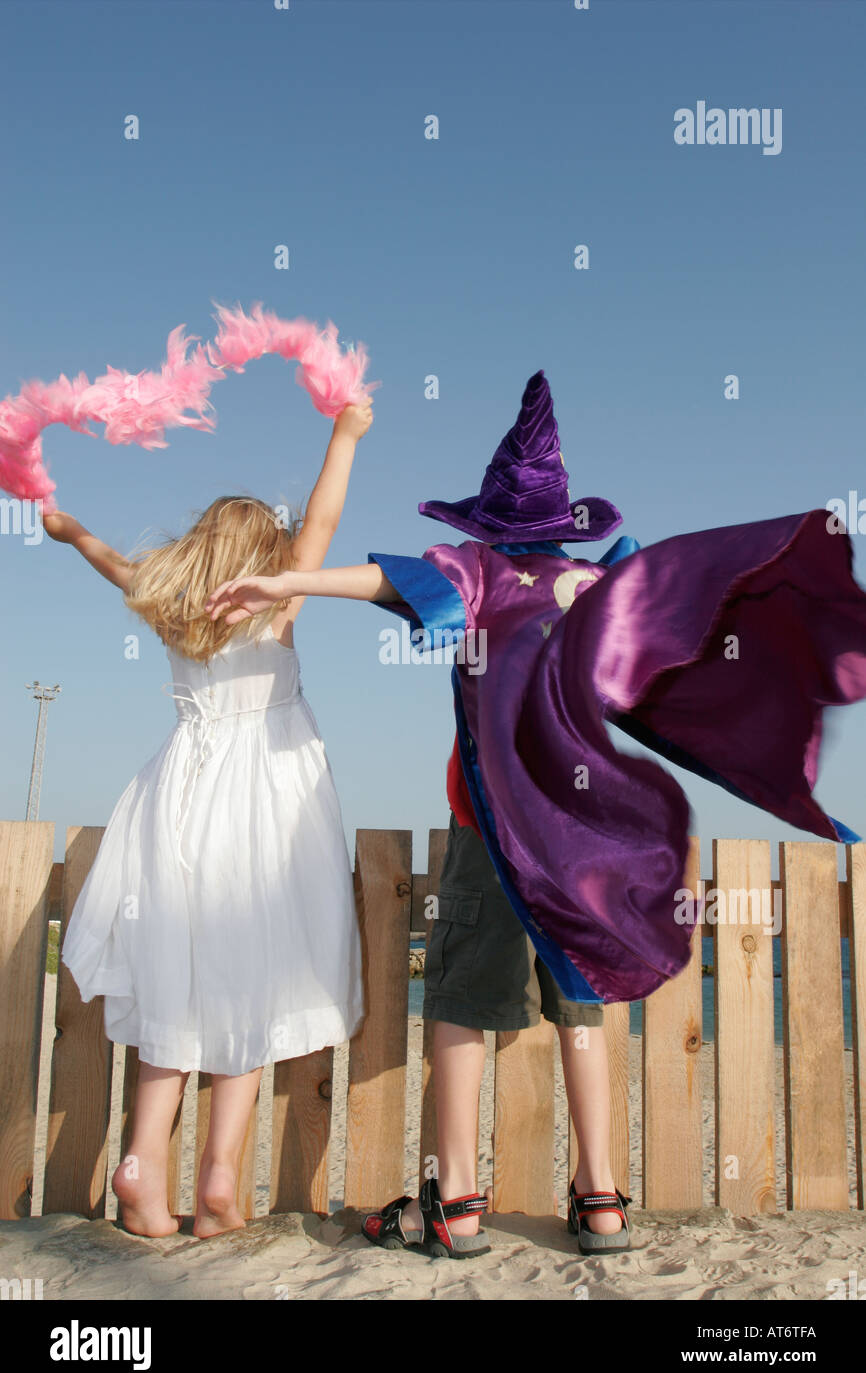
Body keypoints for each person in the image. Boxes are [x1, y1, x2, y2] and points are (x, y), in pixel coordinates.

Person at [206, 370, 866, 1255]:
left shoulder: (477, 573)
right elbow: (689, 635)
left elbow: (389, 580)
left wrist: (287, 583)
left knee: (458, 1006)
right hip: (589, 841)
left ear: (490, 521)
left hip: (493, 833)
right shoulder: (596, 589)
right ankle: (600, 1202)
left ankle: (459, 1208)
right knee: (583, 1007)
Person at [52, 396, 373, 1239]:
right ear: (267, 556)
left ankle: (139, 1164)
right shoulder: (277, 603)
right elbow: (328, 515)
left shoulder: (168, 601)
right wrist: (344, 434)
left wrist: (71, 532)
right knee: (252, 985)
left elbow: (113, 562)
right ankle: (221, 1179)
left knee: (174, 983)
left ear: (196, 552)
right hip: (264, 804)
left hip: (177, 802)